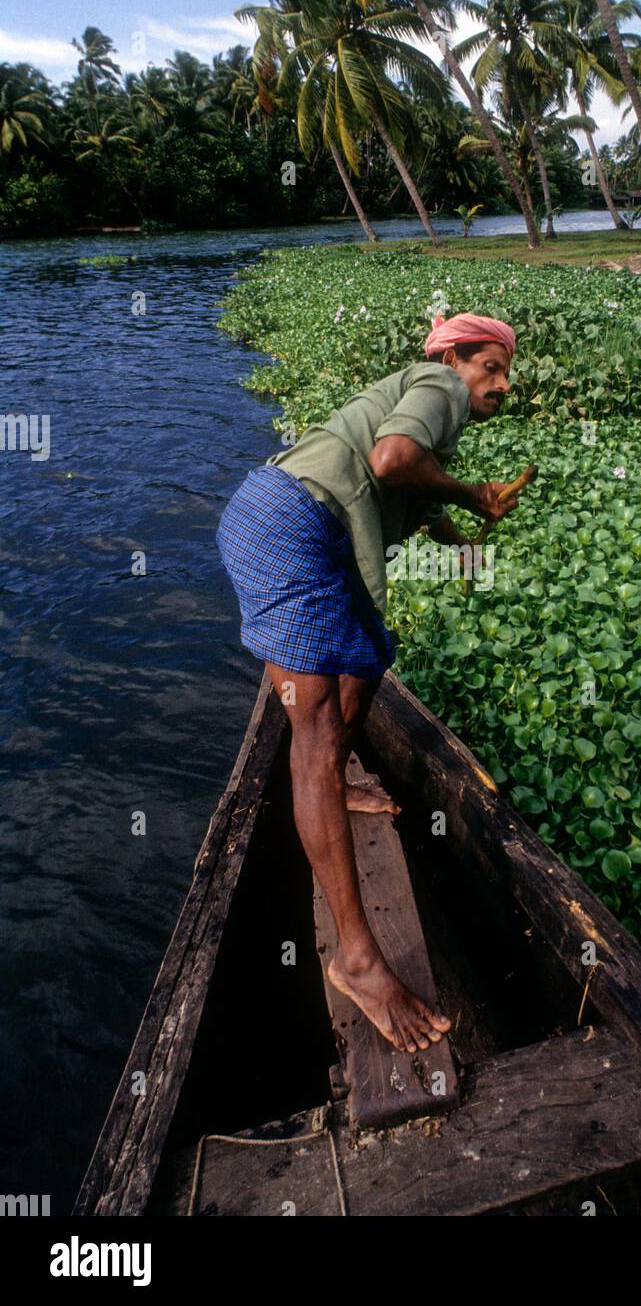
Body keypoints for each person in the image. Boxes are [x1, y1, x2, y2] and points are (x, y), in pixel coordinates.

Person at [216, 311, 518, 1054]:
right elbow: (389, 461)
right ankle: (356, 961)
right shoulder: (437, 385)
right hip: (289, 526)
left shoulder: (434, 428)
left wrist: (460, 527)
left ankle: (336, 780)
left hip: (289, 521)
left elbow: (407, 490)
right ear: (456, 357)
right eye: (492, 368)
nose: (500, 385)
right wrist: (475, 494)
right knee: (314, 731)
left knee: (366, 657)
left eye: (504, 373)